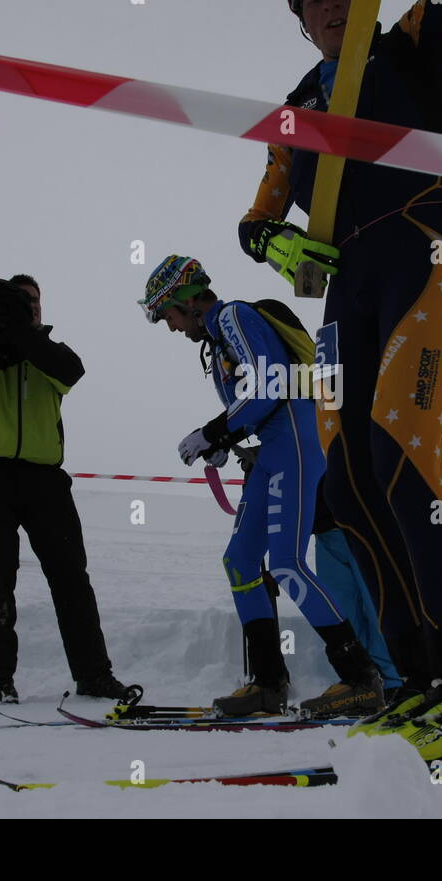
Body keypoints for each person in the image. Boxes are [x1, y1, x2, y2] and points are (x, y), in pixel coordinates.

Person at [238, 0, 442, 757]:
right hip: (348, 289)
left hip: (420, 253)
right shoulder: (296, 107)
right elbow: (256, 219)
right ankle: (420, 682)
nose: (330, 7)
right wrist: (281, 245)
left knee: (402, 451)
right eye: (315, 0)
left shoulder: (411, 45)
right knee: (351, 479)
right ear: (299, 18)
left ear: (369, 1)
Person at [140, 254, 384, 718]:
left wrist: (212, 432)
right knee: (240, 560)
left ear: (187, 300)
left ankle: (360, 677)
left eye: (167, 314)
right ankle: (269, 684)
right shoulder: (216, 344)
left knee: (288, 563)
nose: (170, 327)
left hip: (295, 442)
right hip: (273, 450)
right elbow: (251, 403)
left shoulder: (232, 316)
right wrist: (222, 439)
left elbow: (269, 388)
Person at [0, 274, 130, 705]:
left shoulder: (50, 354)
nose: (30, 306)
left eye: (35, 301)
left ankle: (94, 675)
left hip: (45, 477)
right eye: (20, 300)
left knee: (71, 581)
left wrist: (21, 335)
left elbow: (71, 370)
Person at [237, 444, 403, 695]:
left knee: (375, 609)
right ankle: (366, 679)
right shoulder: (293, 439)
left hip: (365, 531)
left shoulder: (331, 430)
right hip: (326, 535)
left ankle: (394, 682)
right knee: (343, 611)